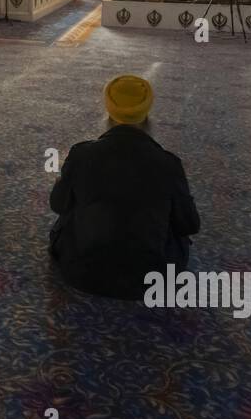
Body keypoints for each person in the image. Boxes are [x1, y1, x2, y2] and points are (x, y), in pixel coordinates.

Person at [49, 76, 201, 299]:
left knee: (71, 212)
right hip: (153, 279)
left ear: (109, 112)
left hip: (82, 274)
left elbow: (58, 204)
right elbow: (188, 225)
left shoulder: (81, 154)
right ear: (147, 114)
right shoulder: (168, 163)